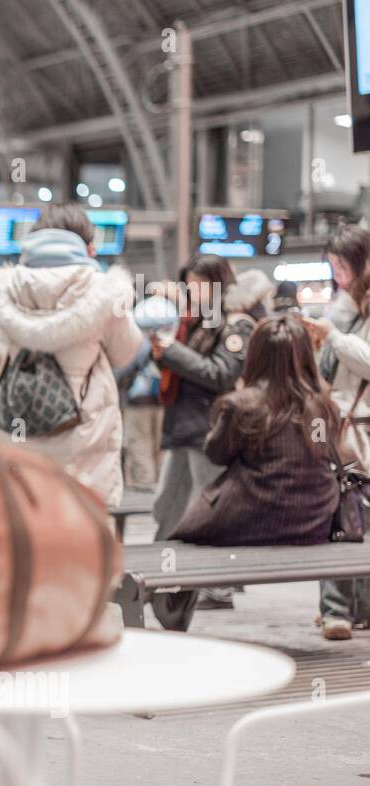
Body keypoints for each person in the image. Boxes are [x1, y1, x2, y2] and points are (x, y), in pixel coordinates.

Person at [0, 203, 142, 507]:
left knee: (23, 515)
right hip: (82, 428)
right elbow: (125, 353)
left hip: (18, 422)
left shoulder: (5, 288)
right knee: (84, 519)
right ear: (85, 243)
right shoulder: (104, 289)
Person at [150, 255, 270, 611]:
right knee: (169, 505)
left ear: (219, 283)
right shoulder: (199, 320)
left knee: (211, 508)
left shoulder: (236, 322)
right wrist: (164, 353)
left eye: (200, 284)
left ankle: (220, 585)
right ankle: (161, 577)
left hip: (212, 429)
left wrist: (172, 352)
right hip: (187, 427)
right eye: (189, 284)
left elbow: (220, 374)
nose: (193, 291)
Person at [171, 314, 340, 549]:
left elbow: (217, 454)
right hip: (313, 521)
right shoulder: (321, 407)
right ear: (306, 356)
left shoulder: (242, 405)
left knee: (180, 538)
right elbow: (321, 453)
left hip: (251, 519)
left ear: (256, 355)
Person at [302, 224, 370, 639]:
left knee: (350, 518)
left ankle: (344, 611)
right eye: (333, 267)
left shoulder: (351, 314)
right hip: (341, 425)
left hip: (359, 428)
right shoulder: (341, 307)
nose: (338, 275)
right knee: (343, 516)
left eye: (342, 266)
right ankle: (337, 610)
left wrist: (334, 337)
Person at [118, 282, 180, 491]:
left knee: (140, 445)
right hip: (165, 395)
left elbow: (124, 363)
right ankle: (163, 490)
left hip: (137, 398)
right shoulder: (174, 322)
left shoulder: (138, 319)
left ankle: (144, 492)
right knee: (162, 448)